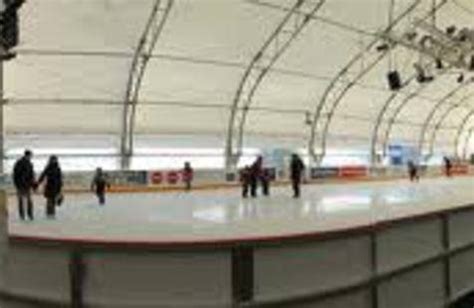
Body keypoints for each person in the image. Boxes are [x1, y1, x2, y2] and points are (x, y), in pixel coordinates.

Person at [13, 149, 36, 220]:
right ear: (28, 155)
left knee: (27, 200)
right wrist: (17, 184)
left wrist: (33, 185)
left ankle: (28, 215)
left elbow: (31, 175)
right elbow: (16, 175)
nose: (31, 157)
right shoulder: (20, 163)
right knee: (22, 200)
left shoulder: (29, 164)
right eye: (30, 156)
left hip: (26, 185)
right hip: (22, 185)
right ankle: (25, 215)